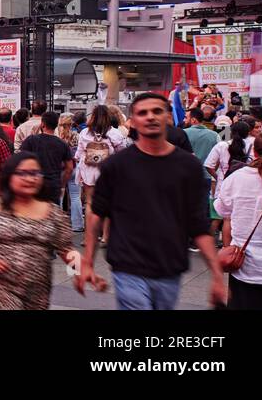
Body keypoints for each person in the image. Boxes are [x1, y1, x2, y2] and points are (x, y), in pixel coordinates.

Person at [81, 92, 225, 310]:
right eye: (142, 113)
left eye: (157, 111)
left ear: (168, 116)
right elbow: (96, 212)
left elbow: (198, 224)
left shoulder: (188, 166)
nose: (150, 117)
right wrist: (87, 262)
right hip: (127, 263)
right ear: (133, 121)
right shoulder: (117, 165)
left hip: (169, 265)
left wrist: (216, 275)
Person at [0, 152, 89, 309]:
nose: (30, 179)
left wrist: (78, 271)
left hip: (36, 292)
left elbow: (66, 250)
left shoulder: (54, 213)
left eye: (35, 173)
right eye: (22, 173)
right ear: (9, 176)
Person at [215, 130, 262, 310]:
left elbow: (224, 214)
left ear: (254, 152)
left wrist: (227, 246)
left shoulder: (236, 179)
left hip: (247, 268)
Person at [75, 103, 128, 244]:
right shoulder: (113, 132)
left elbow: (79, 154)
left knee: (90, 203)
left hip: (88, 171)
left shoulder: (85, 133)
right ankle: (105, 236)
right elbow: (121, 151)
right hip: (108, 171)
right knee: (108, 203)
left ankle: (88, 237)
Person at [19, 111, 74, 205]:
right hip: (53, 185)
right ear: (56, 125)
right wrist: (61, 184)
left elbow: (21, 160)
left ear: (43, 124)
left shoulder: (31, 140)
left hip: (34, 184)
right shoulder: (62, 144)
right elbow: (69, 168)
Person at [56, 113, 84, 233]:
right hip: (73, 167)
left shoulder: (56, 135)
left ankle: (59, 225)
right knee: (75, 196)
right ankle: (77, 225)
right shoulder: (76, 135)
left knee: (60, 196)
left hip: (59, 168)